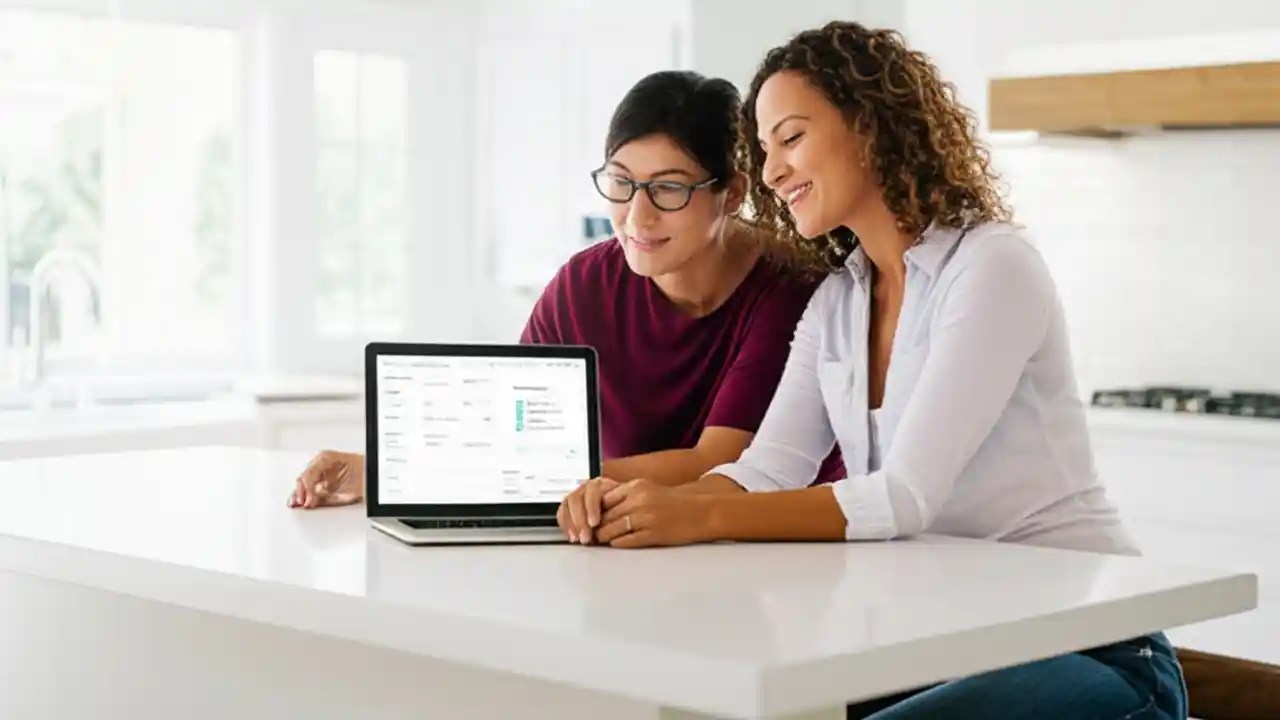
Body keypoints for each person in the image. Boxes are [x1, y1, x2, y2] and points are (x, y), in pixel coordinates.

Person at [583, 22, 1188, 720]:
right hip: (942, 650)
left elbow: (904, 496)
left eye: (792, 137)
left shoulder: (990, 267)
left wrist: (698, 514)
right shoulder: (840, 299)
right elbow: (765, 467)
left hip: (1094, 651)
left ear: (869, 126)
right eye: (765, 146)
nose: (773, 172)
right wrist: (635, 509)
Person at [288, 70, 843, 523]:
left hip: (767, 560)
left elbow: (719, 461)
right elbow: (510, 431)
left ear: (732, 194)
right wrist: (385, 471)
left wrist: (550, 481)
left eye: (669, 189)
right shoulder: (584, 286)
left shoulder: (787, 289)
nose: (637, 216)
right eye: (622, 182)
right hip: (619, 547)